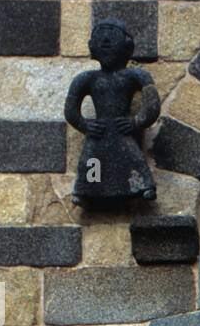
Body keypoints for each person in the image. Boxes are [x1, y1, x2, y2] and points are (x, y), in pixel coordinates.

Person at [64, 19, 161, 204]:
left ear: (126, 45)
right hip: (99, 131)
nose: (106, 41)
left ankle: (143, 186)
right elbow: (71, 110)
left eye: (112, 36)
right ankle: (89, 190)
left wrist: (136, 122)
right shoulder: (85, 79)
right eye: (100, 36)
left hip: (121, 128)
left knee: (133, 155)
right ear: (92, 45)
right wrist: (86, 126)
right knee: (92, 159)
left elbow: (152, 105)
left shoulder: (136, 75)